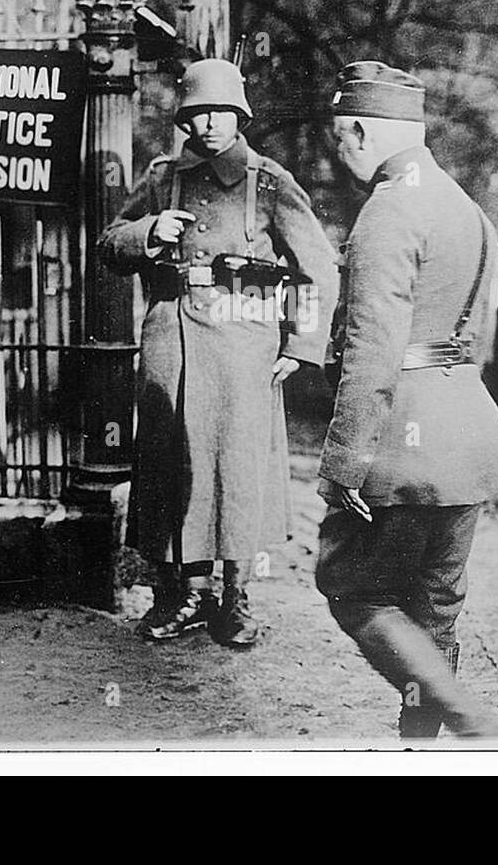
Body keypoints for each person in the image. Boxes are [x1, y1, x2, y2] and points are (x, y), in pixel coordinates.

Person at [316, 60, 498, 737]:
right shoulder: (464, 207)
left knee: (356, 591)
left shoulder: (389, 211)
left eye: (338, 137)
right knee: (435, 608)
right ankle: (423, 752)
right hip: (467, 432)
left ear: (355, 129)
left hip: (400, 440)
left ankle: (475, 726)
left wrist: (344, 462)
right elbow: (481, 338)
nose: (338, 150)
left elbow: (371, 347)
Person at [99, 59, 338, 648]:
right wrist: (147, 231)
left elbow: (317, 270)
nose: (209, 124)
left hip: (243, 347)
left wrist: (303, 346)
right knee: (167, 470)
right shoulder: (160, 178)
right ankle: (176, 595)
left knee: (236, 472)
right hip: (171, 343)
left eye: (221, 112)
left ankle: (234, 600)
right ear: (184, 117)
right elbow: (109, 244)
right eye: (197, 112)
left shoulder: (269, 182)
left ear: (240, 115)